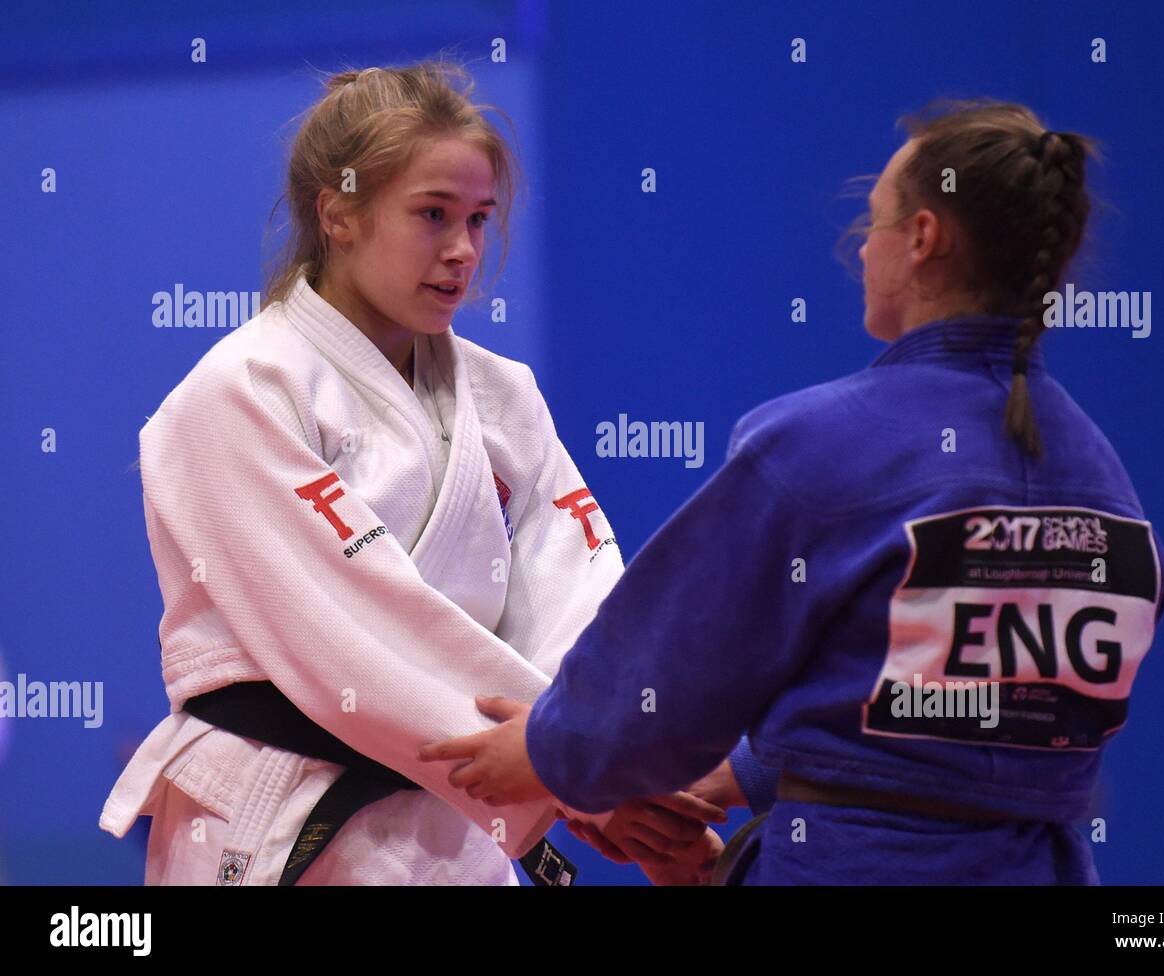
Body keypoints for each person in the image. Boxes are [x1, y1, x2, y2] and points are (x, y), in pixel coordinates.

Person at [423, 100, 1164, 885]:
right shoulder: (1107, 488)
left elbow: (669, 667)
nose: (860, 249)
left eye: (874, 221)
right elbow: (964, 709)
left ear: (922, 240)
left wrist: (549, 755)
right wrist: (748, 774)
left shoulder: (820, 447)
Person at [99, 60, 721, 886]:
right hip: (283, 817)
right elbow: (357, 631)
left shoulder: (504, 395)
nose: (463, 251)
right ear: (339, 214)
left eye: (479, 218)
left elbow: (577, 587)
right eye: (432, 215)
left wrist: (593, 746)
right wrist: (568, 769)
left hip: (461, 820)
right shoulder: (240, 392)